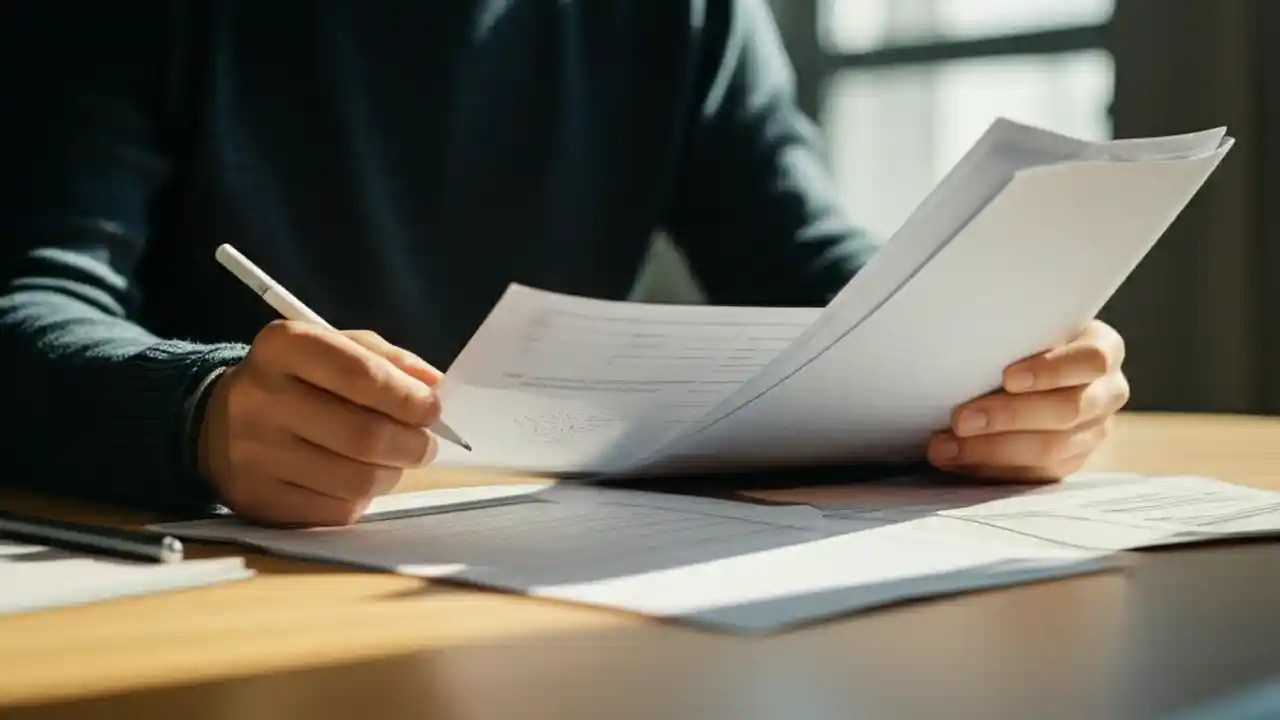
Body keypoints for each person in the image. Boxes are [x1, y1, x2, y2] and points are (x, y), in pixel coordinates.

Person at [0, 1, 1130, 527]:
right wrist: (199, 411)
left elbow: (812, 270)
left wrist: (992, 371)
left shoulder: (681, 15)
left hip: (556, 577)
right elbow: (27, 301)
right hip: (220, 586)